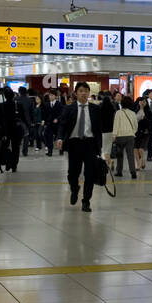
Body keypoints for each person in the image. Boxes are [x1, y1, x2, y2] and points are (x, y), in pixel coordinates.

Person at [56, 82, 103, 212]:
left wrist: (101, 149)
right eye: (81, 91)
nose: (83, 93)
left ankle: (86, 201)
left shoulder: (95, 109)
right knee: (73, 173)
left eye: (86, 91)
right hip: (74, 144)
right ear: (76, 93)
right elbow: (62, 125)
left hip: (90, 144)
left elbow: (99, 130)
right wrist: (60, 138)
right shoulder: (69, 108)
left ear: (89, 93)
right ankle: (74, 188)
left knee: (90, 174)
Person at [110, 96, 140, 179]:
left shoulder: (118, 113)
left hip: (120, 137)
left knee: (120, 155)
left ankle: (119, 171)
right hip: (130, 137)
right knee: (130, 155)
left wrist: (114, 135)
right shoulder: (133, 113)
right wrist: (132, 132)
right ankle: (133, 172)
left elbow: (116, 125)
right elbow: (136, 126)